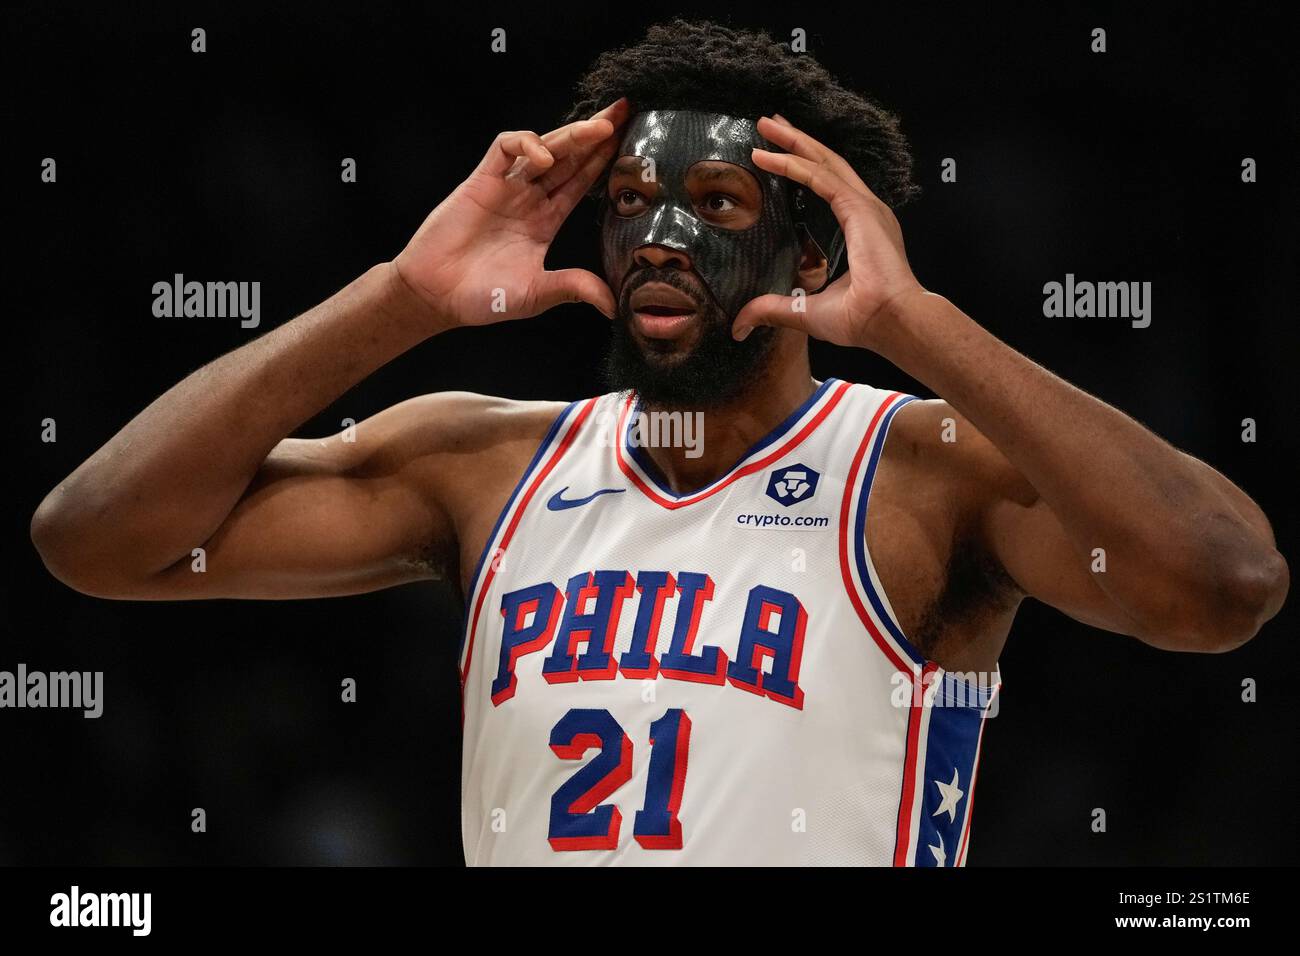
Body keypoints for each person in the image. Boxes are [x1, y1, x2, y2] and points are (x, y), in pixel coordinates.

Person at [31, 19, 1287, 865]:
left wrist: (917, 321)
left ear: (811, 248)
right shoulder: (484, 461)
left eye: (717, 202)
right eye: (627, 203)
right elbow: (99, 539)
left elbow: (1222, 584)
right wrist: (400, 296)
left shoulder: (926, 469)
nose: (657, 235)